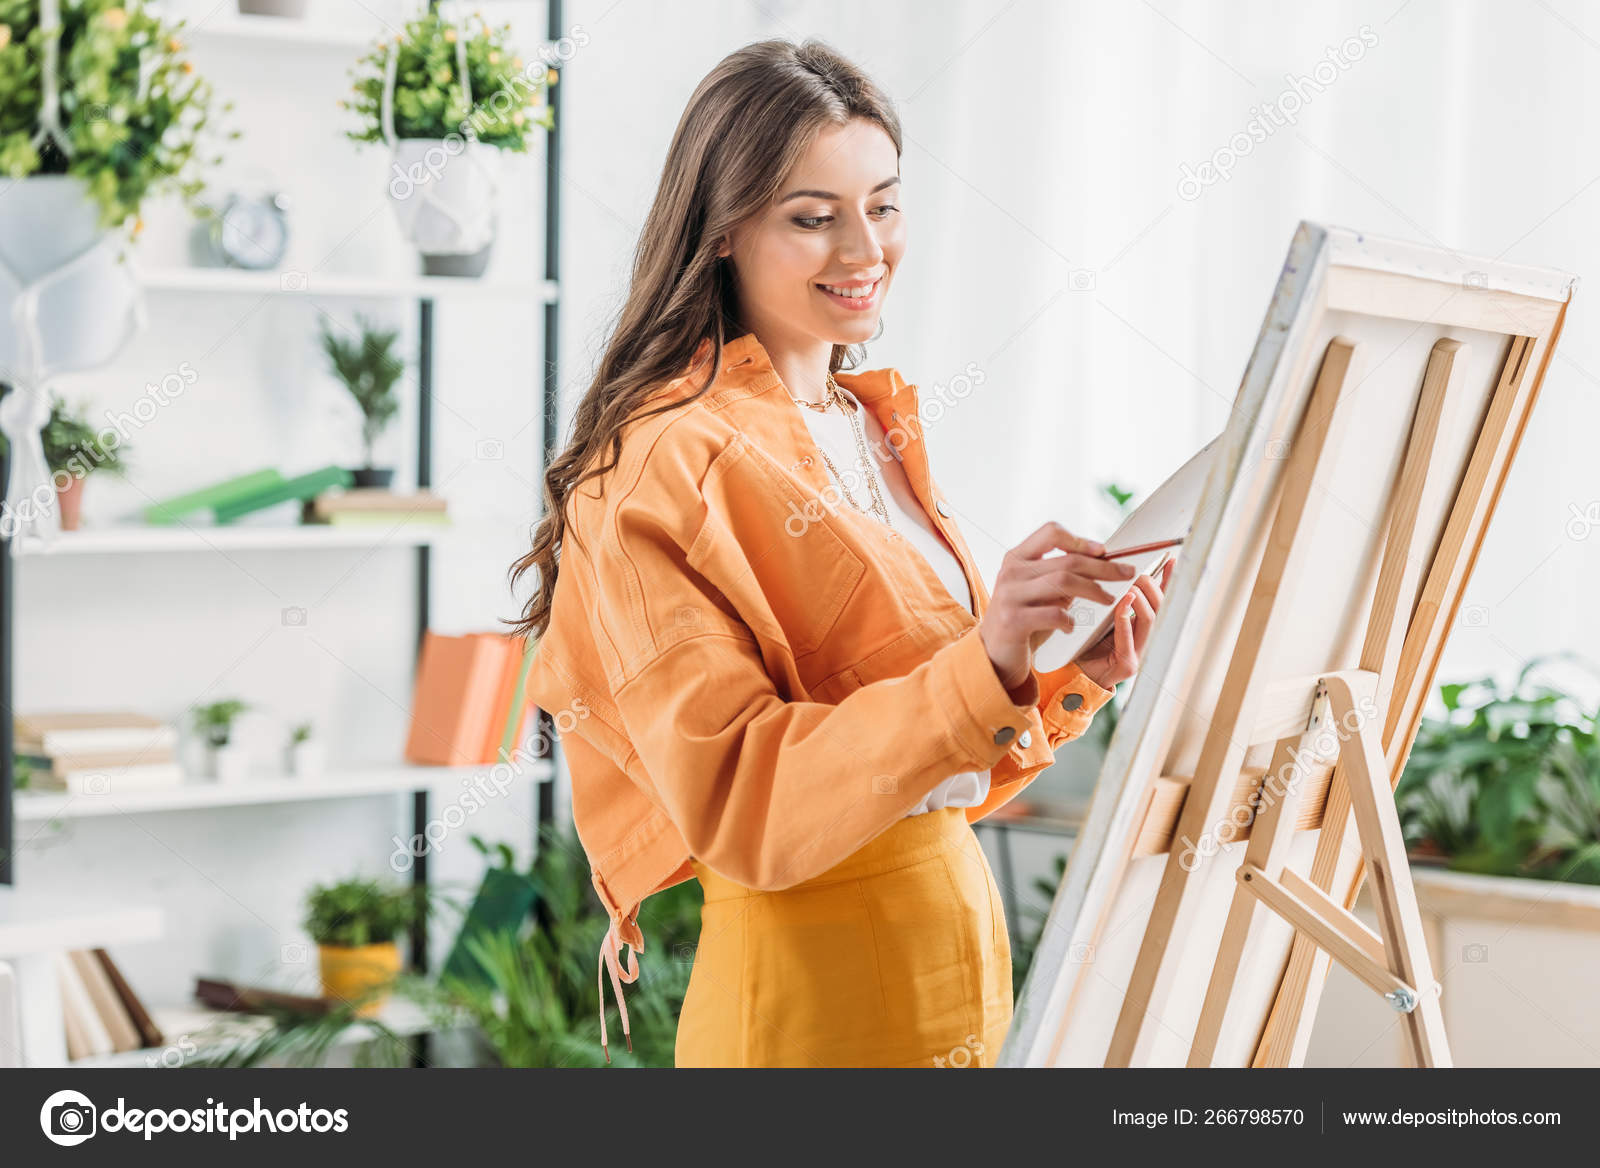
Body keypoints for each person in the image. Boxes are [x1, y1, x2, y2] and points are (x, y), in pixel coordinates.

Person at [511, 38, 1173, 1068]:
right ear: (722, 230)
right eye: (812, 217)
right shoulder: (659, 463)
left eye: (884, 204)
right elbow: (743, 798)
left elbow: (921, 765)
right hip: (805, 1011)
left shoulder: (871, 425)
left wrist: (1060, 673)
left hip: (953, 970)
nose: (863, 249)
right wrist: (981, 658)